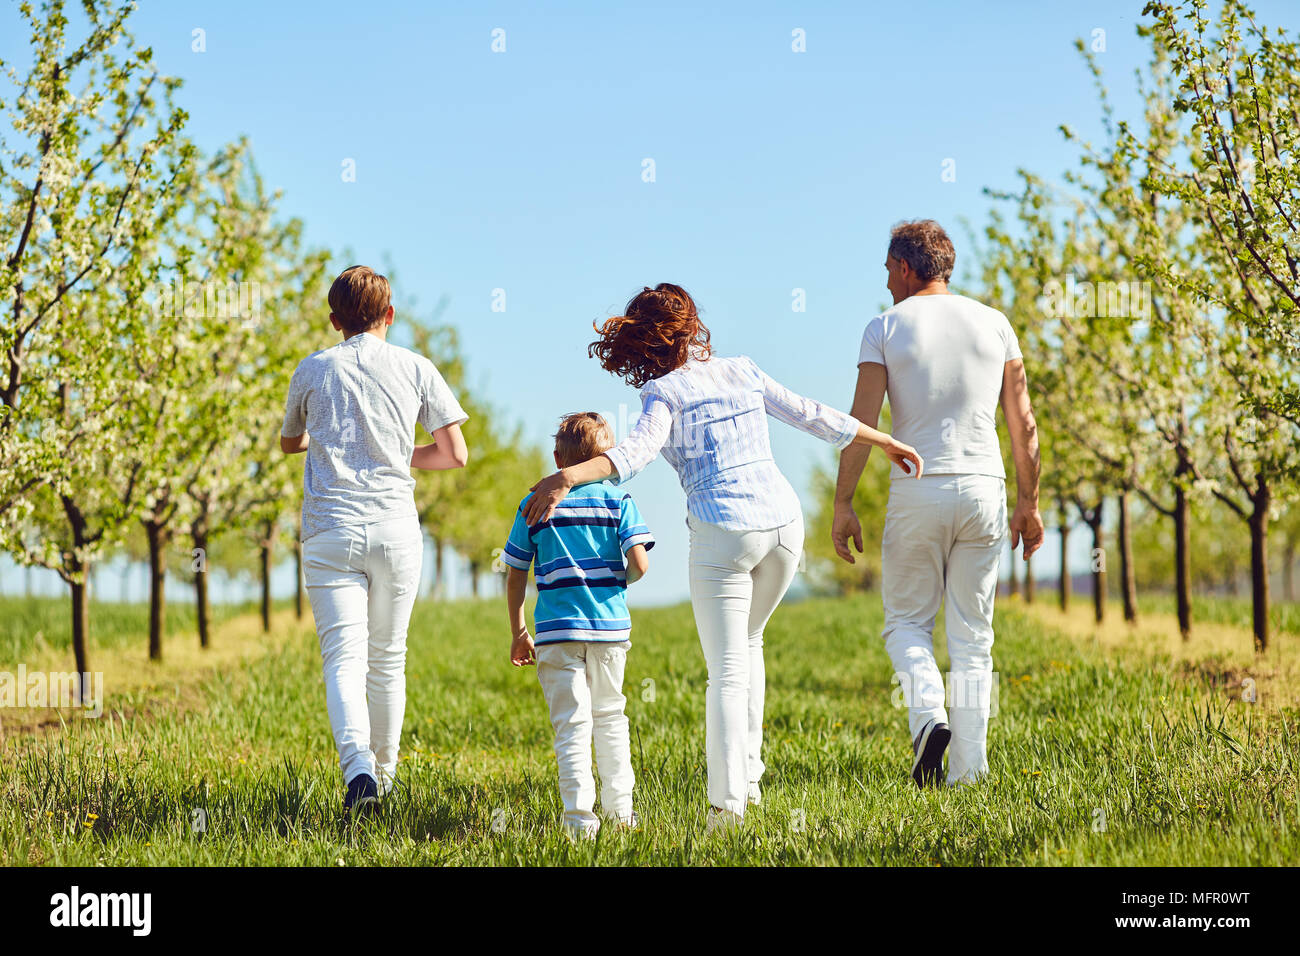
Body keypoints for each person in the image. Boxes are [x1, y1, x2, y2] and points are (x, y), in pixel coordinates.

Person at [526, 283, 923, 832]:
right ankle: (750, 783)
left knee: (728, 670)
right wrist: (885, 439)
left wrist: (566, 476)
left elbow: (632, 456)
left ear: (644, 341)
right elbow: (811, 415)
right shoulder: (743, 369)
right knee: (750, 645)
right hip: (784, 526)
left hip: (724, 529)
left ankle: (727, 810)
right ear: (692, 325)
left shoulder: (662, 392)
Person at [832, 220, 1044, 788]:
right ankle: (969, 775)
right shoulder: (996, 324)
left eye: (887, 272)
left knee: (906, 622)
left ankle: (928, 717)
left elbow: (862, 423)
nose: (886, 284)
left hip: (917, 486)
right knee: (974, 637)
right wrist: (1030, 502)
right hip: (984, 489)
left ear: (904, 268)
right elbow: (1023, 423)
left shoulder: (884, 327)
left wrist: (844, 502)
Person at [280, 265, 469, 815]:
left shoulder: (312, 369)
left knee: (342, 658)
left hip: (329, 530)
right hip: (394, 529)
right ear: (389, 315)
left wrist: (331, 441)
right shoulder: (416, 367)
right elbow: (455, 453)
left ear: (335, 320)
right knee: (387, 659)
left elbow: (291, 442)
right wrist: (394, 453)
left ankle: (357, 768)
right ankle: (384, 780)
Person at [502, 412, 654, 840]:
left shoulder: (535, 502)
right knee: (611, 716)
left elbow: (515, 570)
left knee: (571, 723)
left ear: (557, 459)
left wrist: (518, 632)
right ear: (605, 458)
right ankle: (621, 814)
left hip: (555, 631)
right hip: (609, 629)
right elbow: (641, 562)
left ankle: (578, 822)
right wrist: (616, 582)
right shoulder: (619, 501)